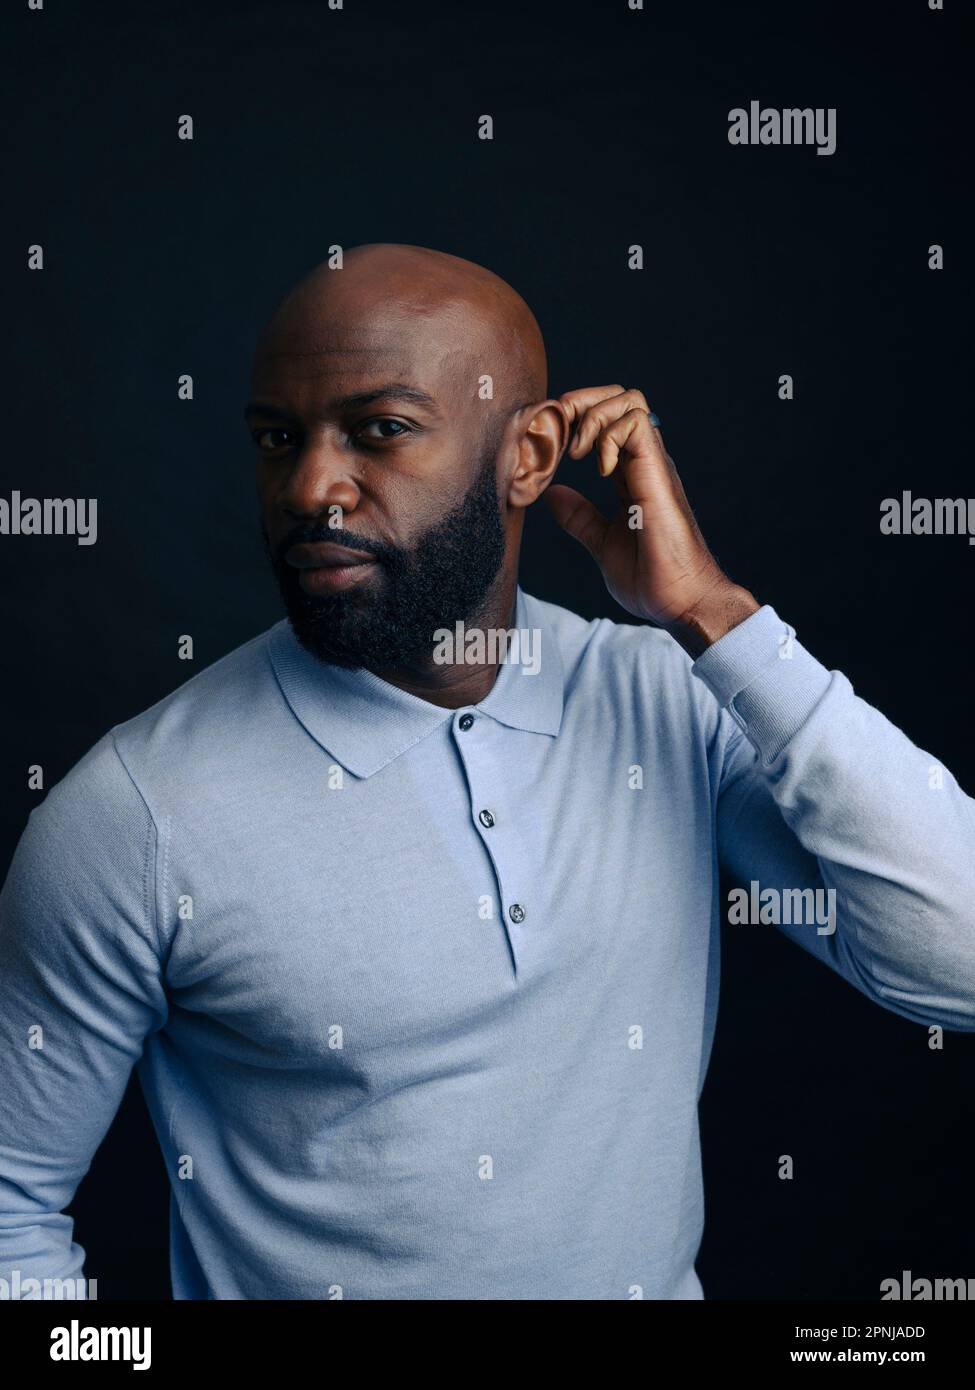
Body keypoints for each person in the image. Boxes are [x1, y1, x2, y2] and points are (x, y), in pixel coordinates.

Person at [1, 243, 972, 1301]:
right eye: (279, 439)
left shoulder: (668, 702)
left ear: (530, 453)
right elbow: (10, 1209)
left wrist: (718, 618)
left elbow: (957, 965)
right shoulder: (137, 813)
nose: (311, 486)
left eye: (381, 430)